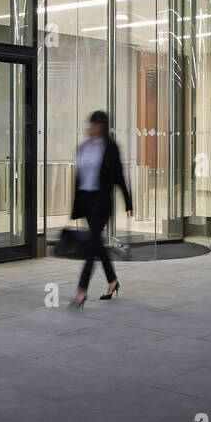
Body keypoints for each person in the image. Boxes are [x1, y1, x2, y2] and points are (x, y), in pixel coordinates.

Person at [70, 110, 132, 308]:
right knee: (97, 244)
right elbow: (79, 179)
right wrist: (77, 206)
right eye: (92, 123)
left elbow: (119, 176)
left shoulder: (111, 148)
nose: (93, 127)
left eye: (97, 124)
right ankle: (112, 281)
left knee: (91, 244)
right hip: (87, 202)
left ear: (104, 126)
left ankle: (82, 290)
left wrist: (128, 202)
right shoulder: (84, 148)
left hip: (102, 202)